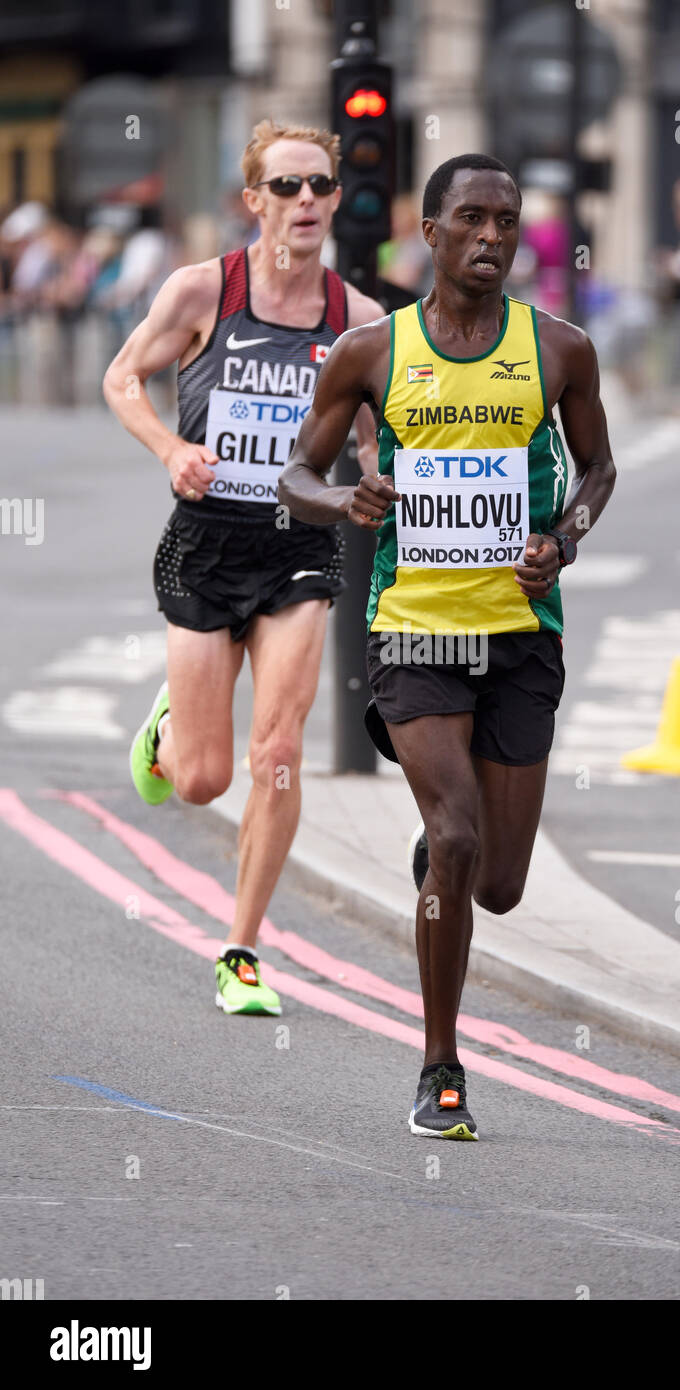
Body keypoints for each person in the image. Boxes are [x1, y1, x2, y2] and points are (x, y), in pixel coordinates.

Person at [278, 153, 615, 1139]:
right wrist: (349, 498)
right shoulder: (372, 352)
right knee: (462, 839)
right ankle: (440, 1070)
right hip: (414, 630)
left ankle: (446, 858)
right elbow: (298, 478)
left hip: (521, 634)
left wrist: (567, 537)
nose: (492, 239)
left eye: (506, 222)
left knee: (497, 886)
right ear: (427, 233)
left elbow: (597, 468)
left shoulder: (560, 350)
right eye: (470, 219)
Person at [104, 120, 382, 1015]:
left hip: (299, 547)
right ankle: (167, 730)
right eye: (287, 187)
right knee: (200, 780)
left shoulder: (360, 321)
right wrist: (166, 447)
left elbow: (379, 438)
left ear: (337, 199)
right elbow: (120, 379)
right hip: (206, 542)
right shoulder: (201, 291)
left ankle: (241, 951)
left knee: (280, 751)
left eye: (320, 187)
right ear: (253, 200)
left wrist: (376, 484)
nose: (306, 202)